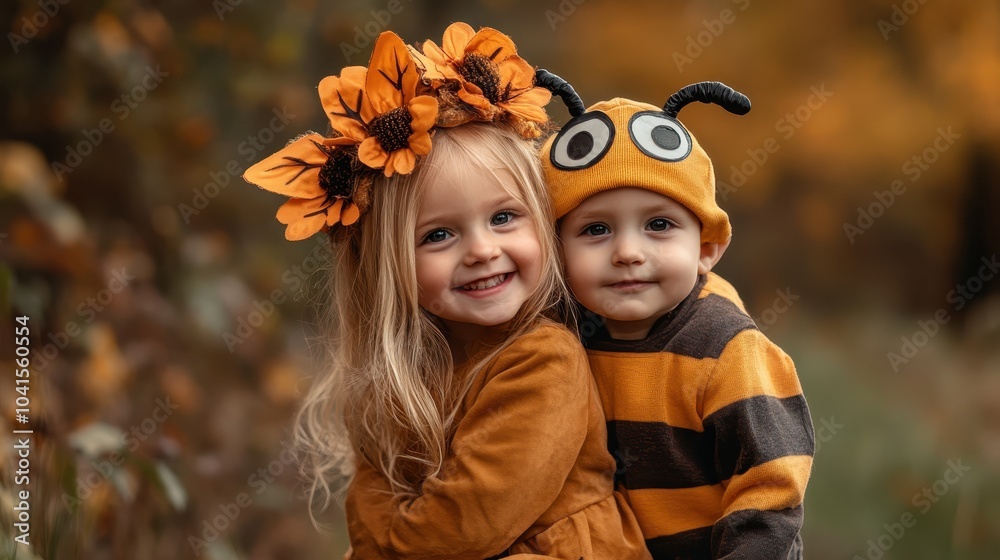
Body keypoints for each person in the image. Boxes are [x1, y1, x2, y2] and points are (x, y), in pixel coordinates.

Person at [244, 25, 650, 559]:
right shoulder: (396, 375)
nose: (481, 250)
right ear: (388, 265)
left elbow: (465, 526)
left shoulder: (542, 359)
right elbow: (370, 512)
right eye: (438, 235)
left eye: (504, 217)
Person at [537, 78, 816, 559]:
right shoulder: (558, 335)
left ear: (707, 248)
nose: (627, 252)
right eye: (596, 229)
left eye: (659, 225)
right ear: (555, 251)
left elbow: (770, 492)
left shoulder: (727, 350)